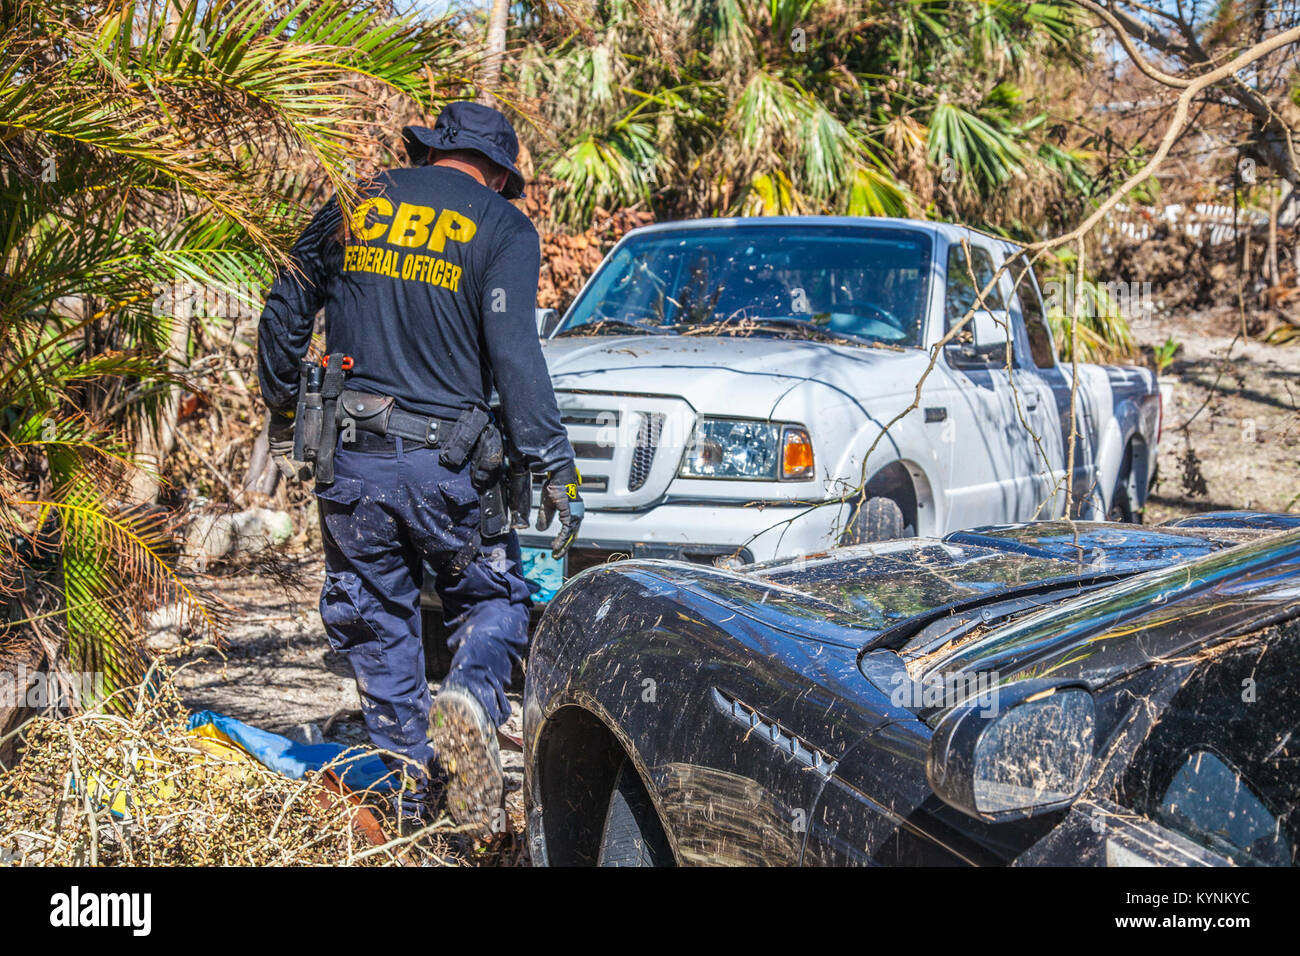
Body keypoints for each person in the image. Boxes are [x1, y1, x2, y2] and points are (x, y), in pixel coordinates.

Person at [255, 101, 582, 830]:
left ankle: (413, 798)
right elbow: (516, 356)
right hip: (449, 472)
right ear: (498, 174)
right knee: (492, 600)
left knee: (379, 623)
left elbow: (283, 306)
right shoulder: (501, 227)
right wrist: (553, 464)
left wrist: (283, 405)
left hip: (354, 471)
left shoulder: (356, 201)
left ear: (431, 150)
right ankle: (467, 694)